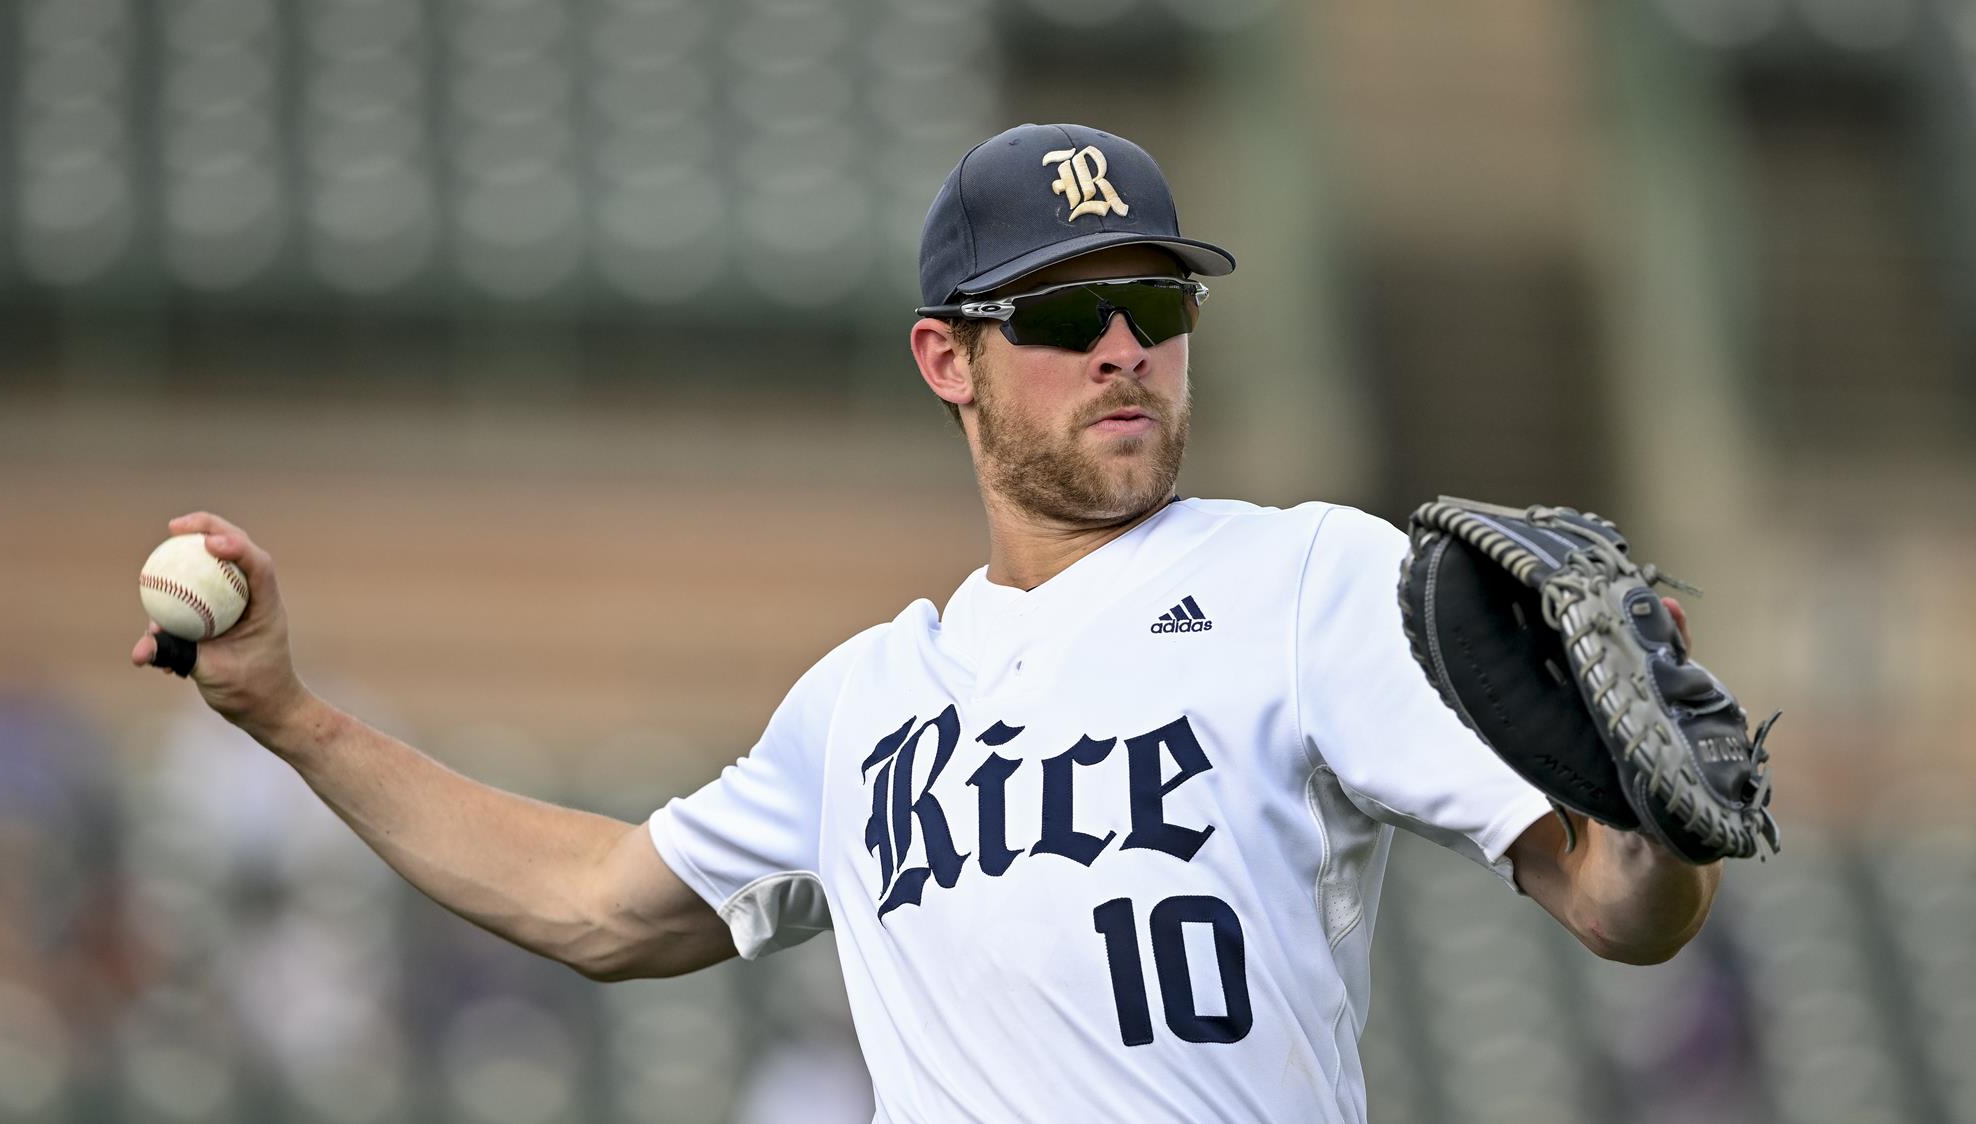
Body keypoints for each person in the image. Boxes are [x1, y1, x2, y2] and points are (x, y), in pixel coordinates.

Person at [133, 123, 1720, 1123]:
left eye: (1157, 306)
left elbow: (1615, 910)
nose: (1122, 346)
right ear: (945, 359)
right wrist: (287, 712)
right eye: (1058, 314)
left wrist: (1655, 818)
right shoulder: (863, 702)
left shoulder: (1307, 579)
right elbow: (600, 907)